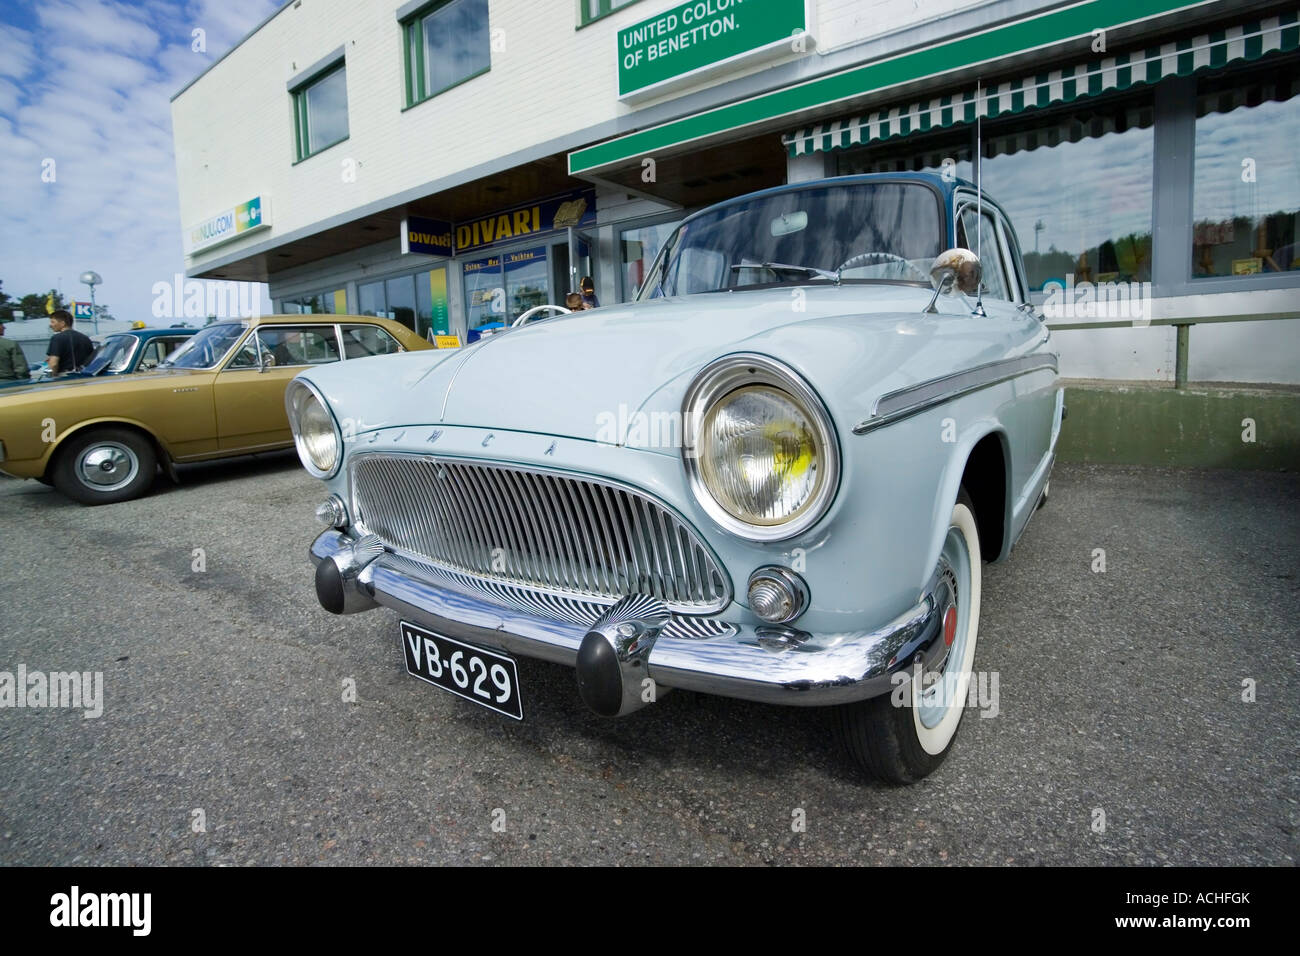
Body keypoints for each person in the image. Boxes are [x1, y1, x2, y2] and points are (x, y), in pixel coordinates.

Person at [46, 309, 94, 375]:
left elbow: (54, 364)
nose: (50, 325)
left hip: (65, 378)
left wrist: (53, 377)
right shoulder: (85, 338)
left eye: (53, 322)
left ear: (62, 323)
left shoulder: (57, 338)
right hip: (84, 377)